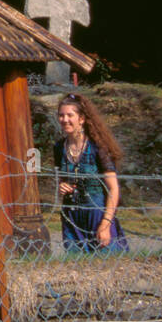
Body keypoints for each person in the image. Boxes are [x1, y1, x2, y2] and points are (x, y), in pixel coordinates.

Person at [54, 92, 128, 253]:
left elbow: (113, 189)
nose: (65, 120)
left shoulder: (97, 147)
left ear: (81, 119)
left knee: (105, 266)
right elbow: (62, 178)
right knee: (77, 268)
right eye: (61, 115)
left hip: (97, 214)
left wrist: (105, 224)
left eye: (70, 115)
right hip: (71, 217)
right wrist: (63, 186)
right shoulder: (59, 148)